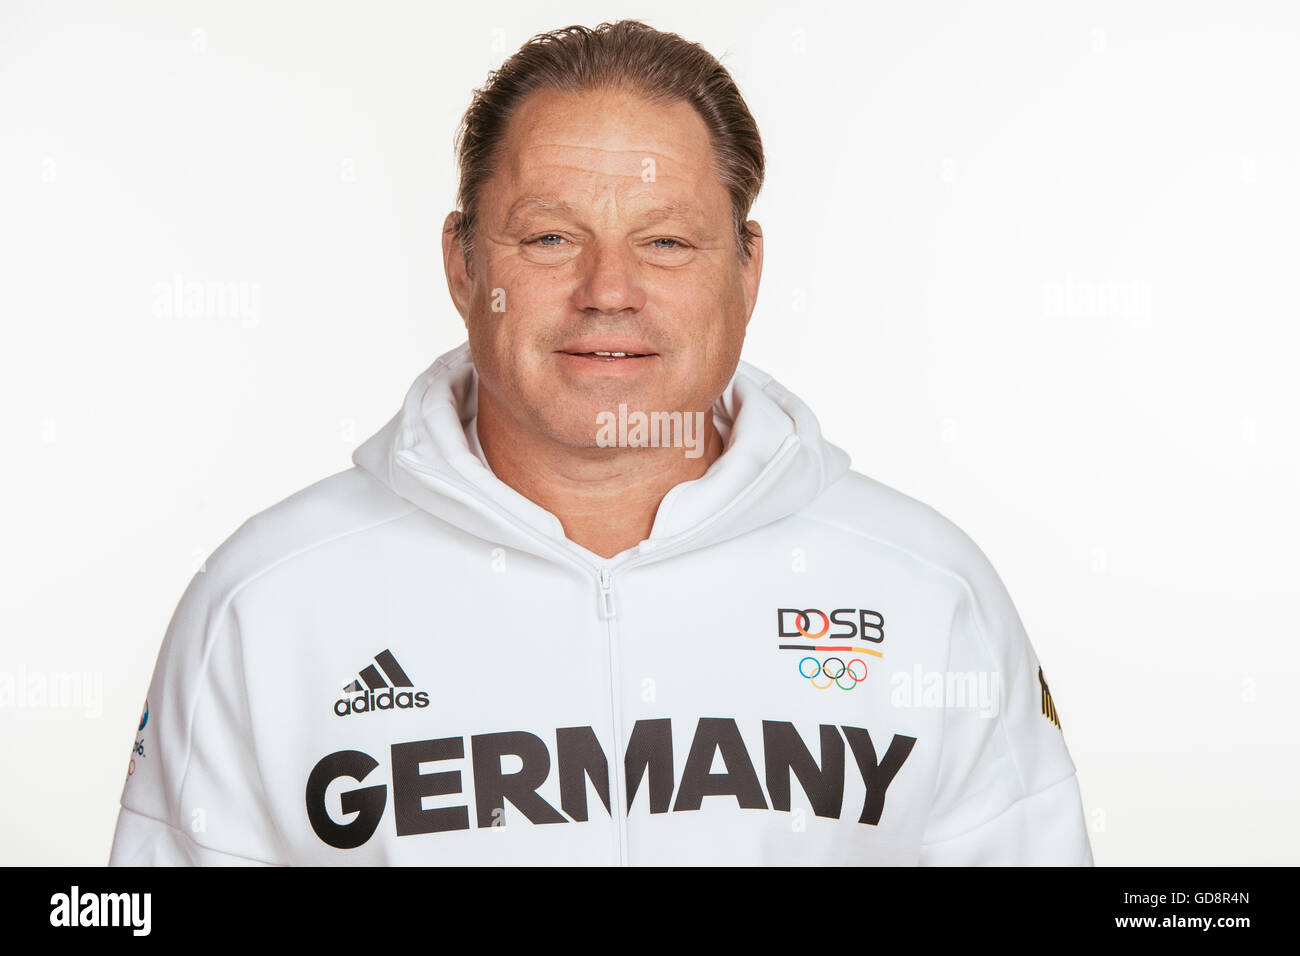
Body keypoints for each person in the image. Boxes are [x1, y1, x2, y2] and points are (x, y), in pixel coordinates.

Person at [108, 19, 1092, 866]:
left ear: (747, 269)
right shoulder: (269, 600)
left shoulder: (924, 590)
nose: (606, 289)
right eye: (548, 238)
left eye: (665, 240)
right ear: (460, 262)